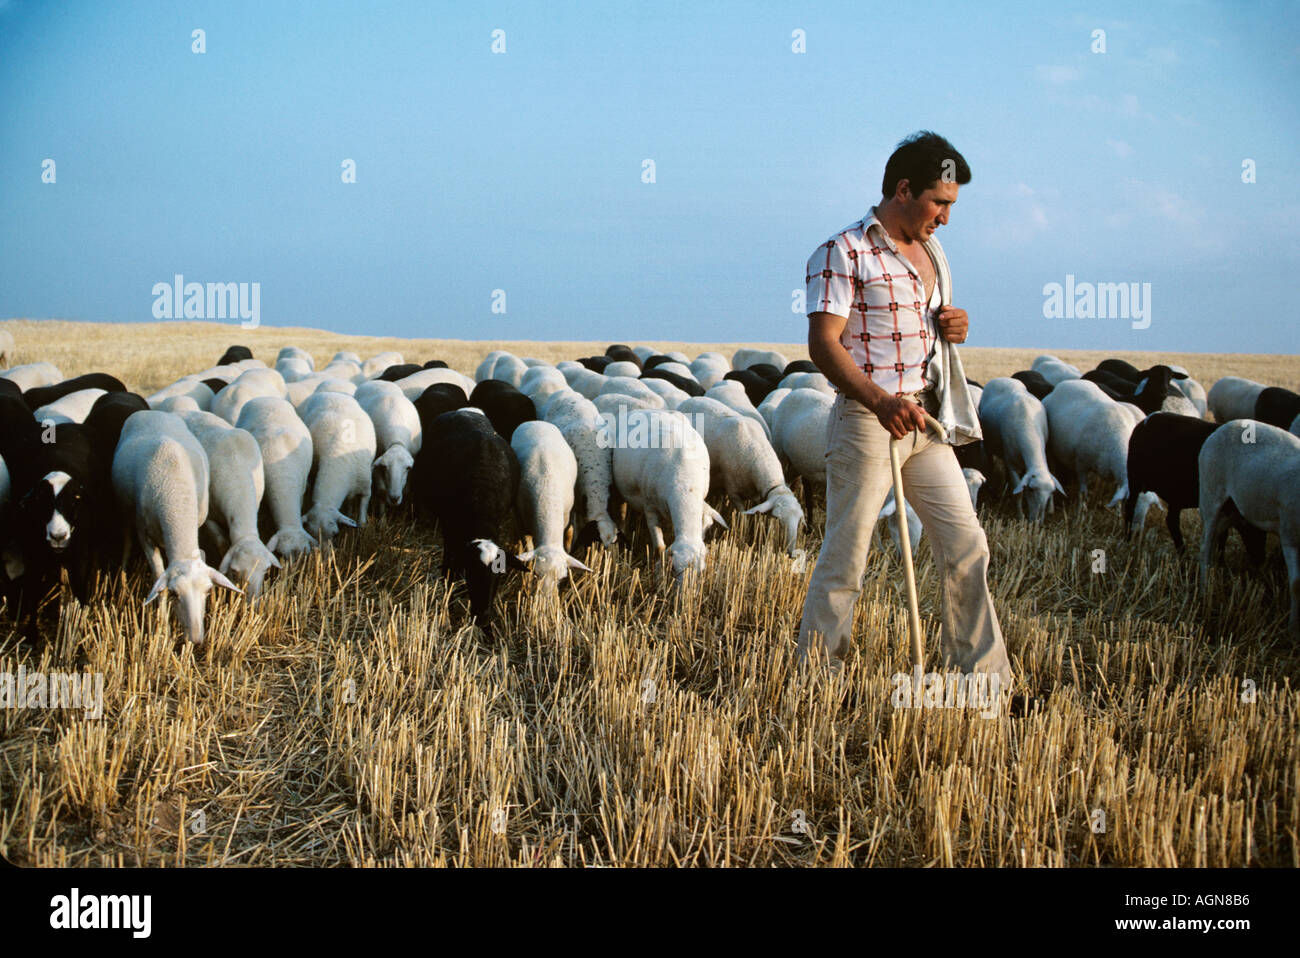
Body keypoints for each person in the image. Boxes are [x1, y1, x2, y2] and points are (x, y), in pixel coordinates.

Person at [796, 130, 1014, 693]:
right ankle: (818, 682)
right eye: (939, 202)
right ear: (902, 190)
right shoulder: (842, 251)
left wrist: (954, 325)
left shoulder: (934, 253)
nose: (946, 216)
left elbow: (930, 327)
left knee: (967, 543)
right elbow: (824, 344)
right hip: (868, 421)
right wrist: (878, 400)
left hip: (924, 418)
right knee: (848, 554)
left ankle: (982, 677)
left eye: (951, 204)